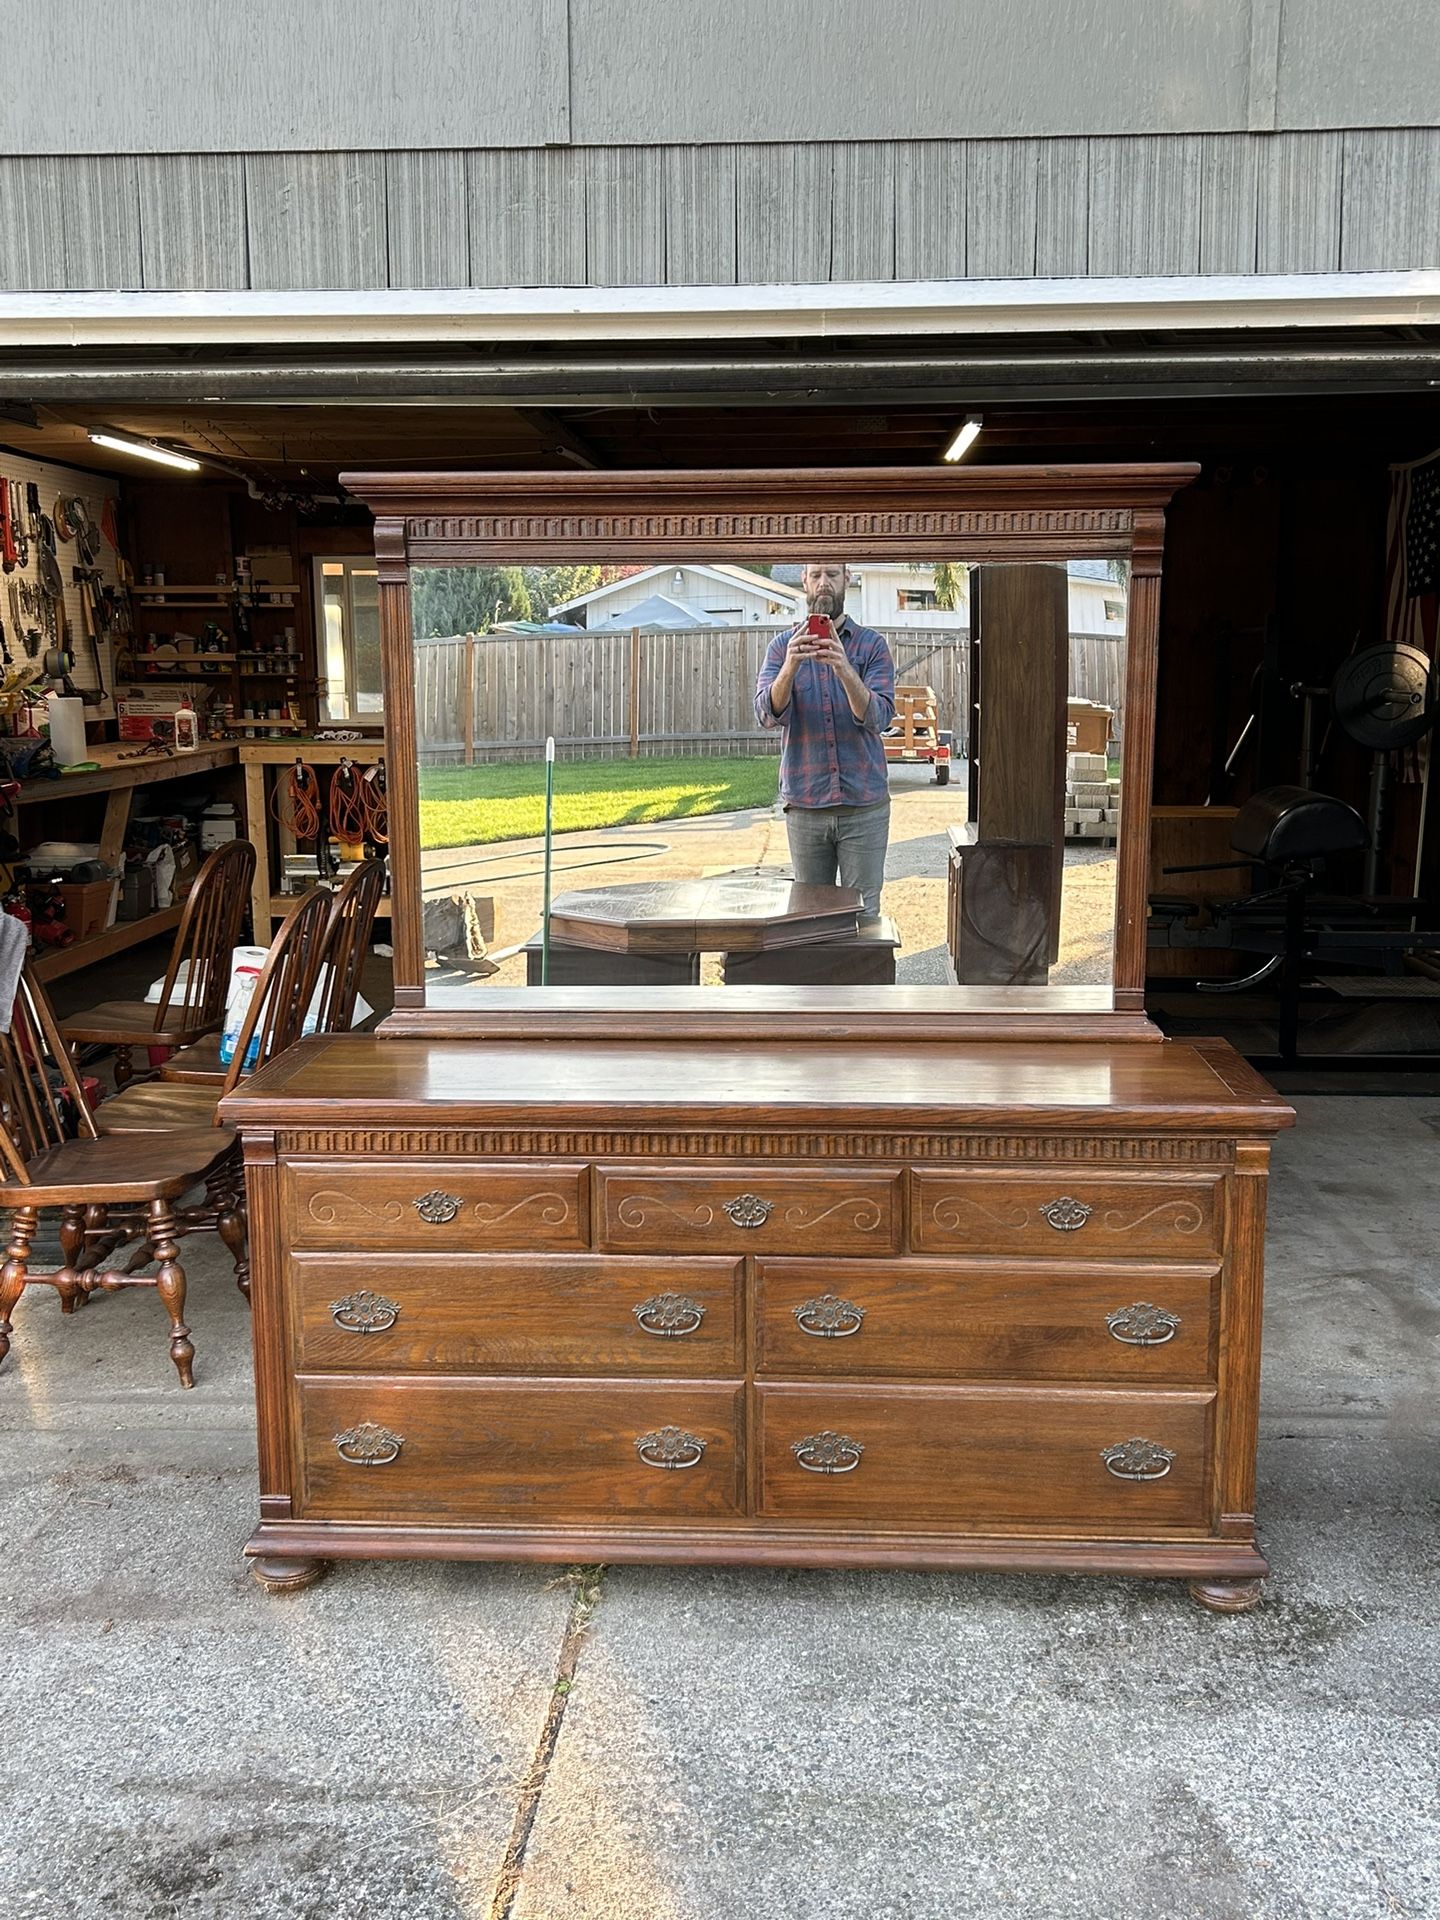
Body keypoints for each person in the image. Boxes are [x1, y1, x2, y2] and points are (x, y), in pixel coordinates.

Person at [754, 560, 896, 921]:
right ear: (803, 580)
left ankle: (862, 980)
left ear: (847, 579)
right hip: (806, 805)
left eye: (832, 575)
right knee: (810, 919)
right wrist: (790, 667)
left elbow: (879, 717)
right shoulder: (781, 648)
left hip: (863, 806)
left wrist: (844, 667)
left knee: (863, 918)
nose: (823, 584)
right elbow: (766, 715)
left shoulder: (871, 646)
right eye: (815, 575)